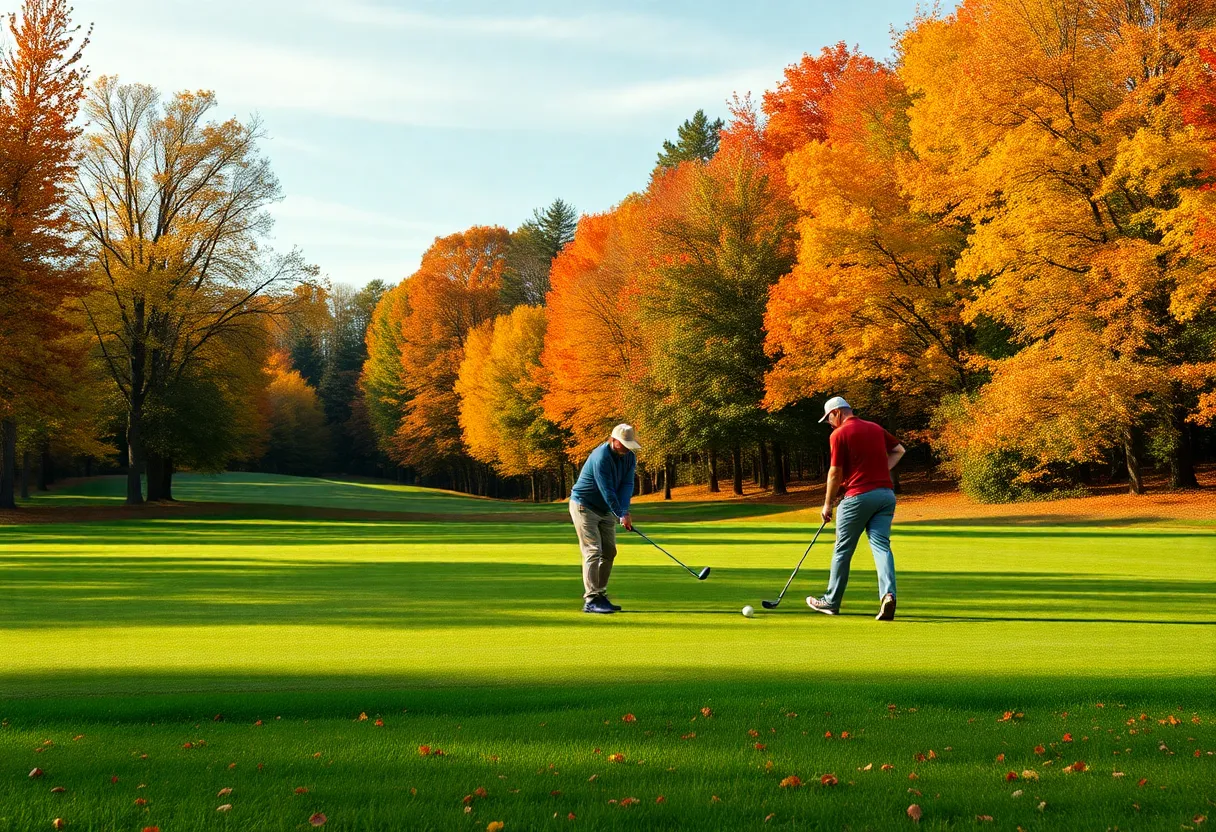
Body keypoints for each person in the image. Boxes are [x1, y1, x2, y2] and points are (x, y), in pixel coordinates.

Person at [806, 396, 906, 621]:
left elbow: (834, 472)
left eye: (829, 419)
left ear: (837, 413)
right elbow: (899, 450)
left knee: (843, 549)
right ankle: (888, 595)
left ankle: (831, 601)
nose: (829, 424)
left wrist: (827, 503)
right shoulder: (875, 428)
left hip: (858, 498)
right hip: (885, 496)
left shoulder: (839, 434)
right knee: (882, 547)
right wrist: (878, 470)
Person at [569, 423, 641, 614]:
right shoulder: (600, 456)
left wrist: (624, 510)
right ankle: (591, 599)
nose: (626, 448)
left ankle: (600, 594)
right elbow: (606, 489)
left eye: (629, 444)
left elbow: (627, 484)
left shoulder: (629, 457)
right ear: (614, 440)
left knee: (609, 551)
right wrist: (620, 513)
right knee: (593, 550)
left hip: (605, 509)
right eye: (623, 444)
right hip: (584, 505)